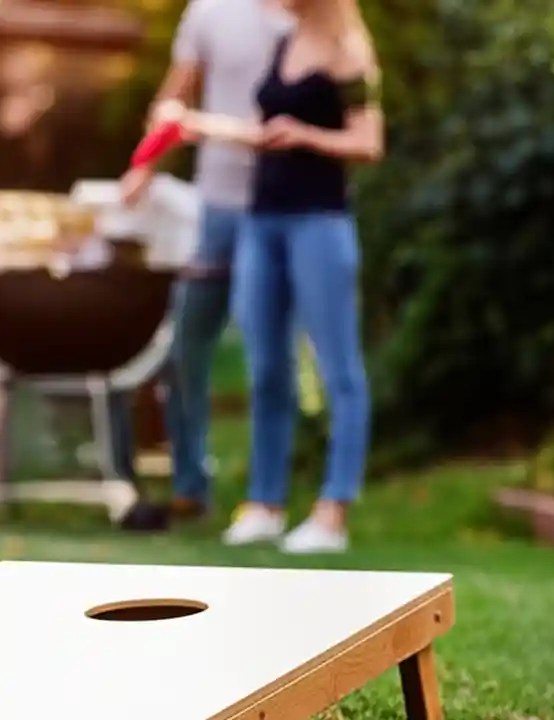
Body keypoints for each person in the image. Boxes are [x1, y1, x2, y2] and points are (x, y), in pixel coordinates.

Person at [220, 0, 383, 552]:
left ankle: (332, 512)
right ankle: (264, 504)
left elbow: (368, 143)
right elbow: (268, 129)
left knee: (340, 370)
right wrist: (199, 127)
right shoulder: (283, 41)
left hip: (319, 223)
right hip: (261, 221)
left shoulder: (350, 50)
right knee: (266, 367)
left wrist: (306, 136)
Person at [121, 0, 291, 521]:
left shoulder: (301, 13)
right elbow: (175, 94)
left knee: (270, 359)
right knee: (185, 348)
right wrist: (143, 167)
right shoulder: (210, 11)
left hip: (280, 205)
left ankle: (267, 496)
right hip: (214, 205)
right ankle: (190, 485)